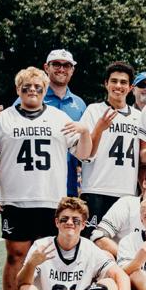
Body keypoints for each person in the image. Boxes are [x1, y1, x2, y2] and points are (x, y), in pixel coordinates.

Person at [0, 67, 93, 290]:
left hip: (50, 199)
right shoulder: (3, 119)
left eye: (37, 87)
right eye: (26, 87)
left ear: (45, 90)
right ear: (18, 90)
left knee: (46, 259)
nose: (32, 91)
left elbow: (84, 154)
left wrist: (86, 131)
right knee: (16, 256)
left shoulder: (58, 117)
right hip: (16, 197)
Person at [1, 198, 128, 290]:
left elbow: (119, 273)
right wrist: (31, 263)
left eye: (75, 220)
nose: (69, 223)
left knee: (109, 283)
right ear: (56, 222)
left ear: (83, 225)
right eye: (64, 219)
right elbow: (20, 283)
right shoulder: (42, 245)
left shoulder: (89, 248)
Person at [79, 61, 142, 230]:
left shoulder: (139, 117)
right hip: (96, 188)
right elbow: (85, 153)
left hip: (127, 191)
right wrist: (99, 129)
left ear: (130, 87)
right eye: (114, 81)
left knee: (122, 246)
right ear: (106, 83)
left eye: (123, 82)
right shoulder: (94, 110)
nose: (118, 86)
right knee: (92, 243)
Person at [40, 49, 87, 196]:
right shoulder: (32, 96)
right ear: (46, 67)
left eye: (66, 65)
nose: (61, 69)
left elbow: (85, 145)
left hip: (70, 182)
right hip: (38, 181)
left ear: (72, 70)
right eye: (56, 64)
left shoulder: (80, 104)